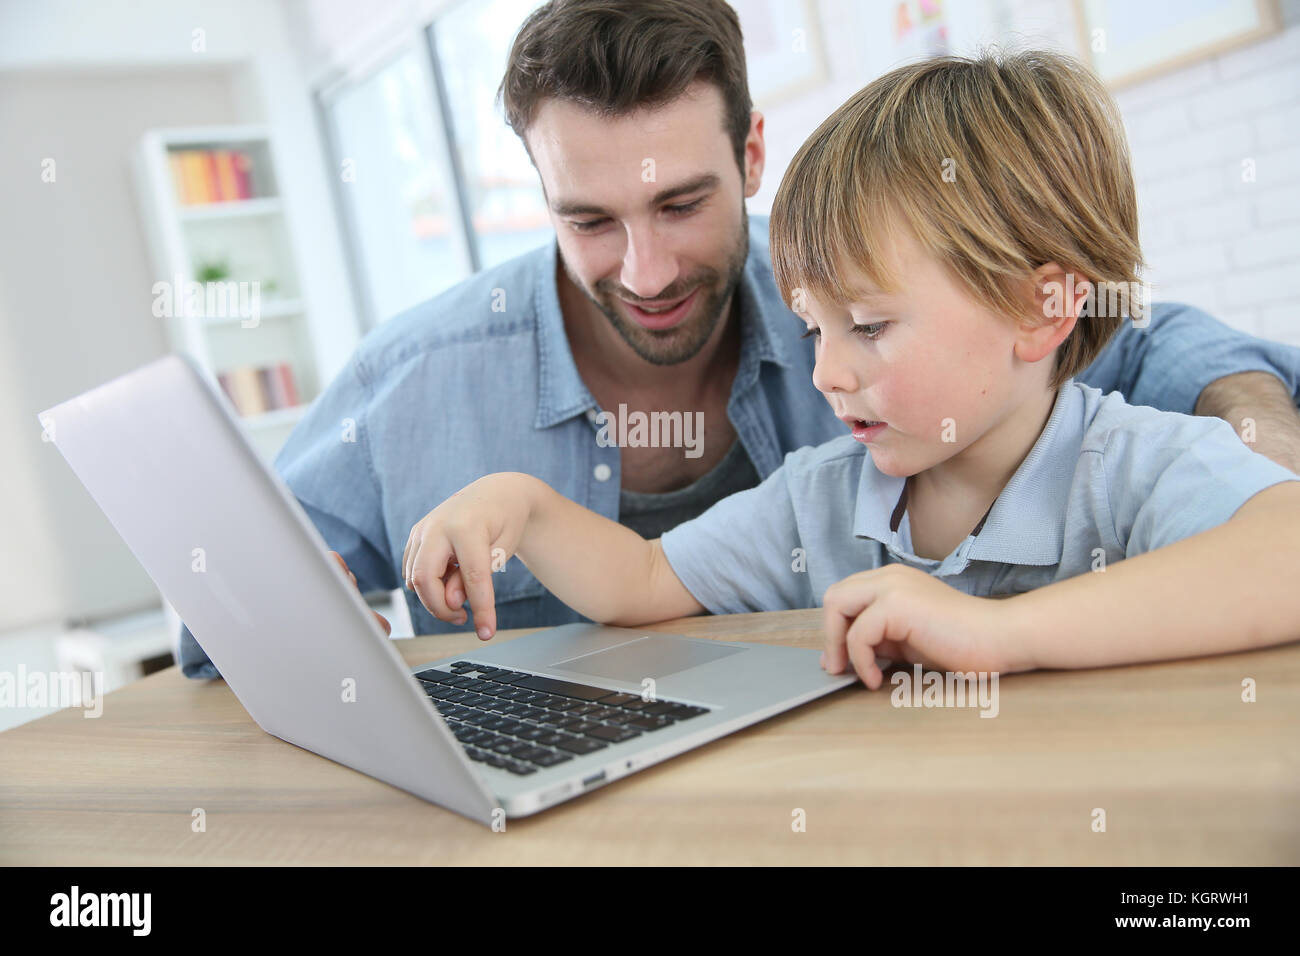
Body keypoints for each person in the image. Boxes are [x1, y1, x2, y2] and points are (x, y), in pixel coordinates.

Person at [178, 0, 1300, 679]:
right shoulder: (830, 495)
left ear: (749, 154)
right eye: (588, 221)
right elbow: (646, 578)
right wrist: (516, 501)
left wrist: (1004, 633)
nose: (824, 370)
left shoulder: (1122, 461)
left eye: (864, 328)